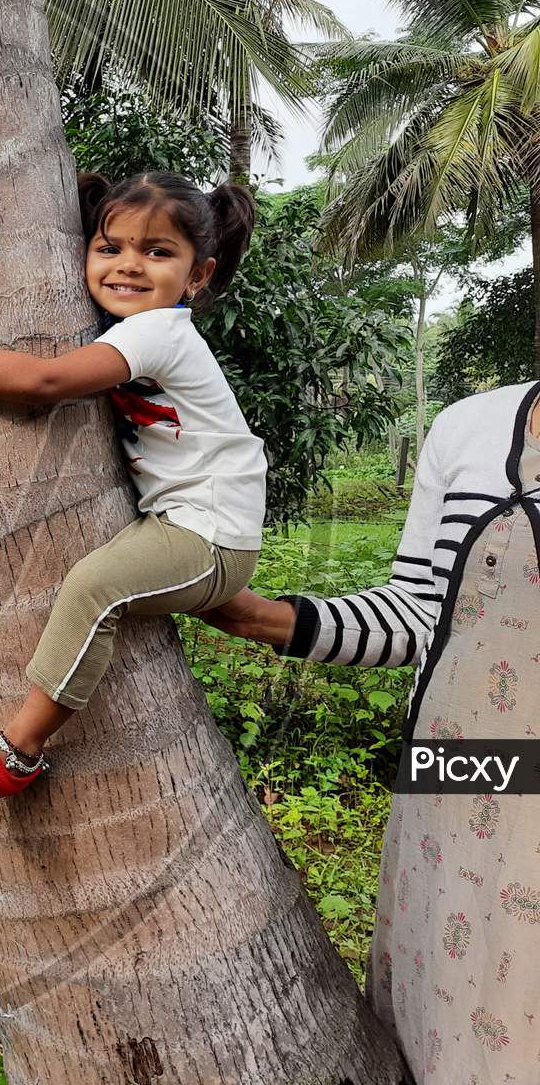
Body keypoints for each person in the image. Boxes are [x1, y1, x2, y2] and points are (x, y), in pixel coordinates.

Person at [0, 171, 264, 818]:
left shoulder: (156, 332)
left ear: (198, 276)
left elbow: (43, 379)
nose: (129, 265)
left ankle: (16, 752)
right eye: (109, 247)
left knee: (95, 586)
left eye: (157, 252)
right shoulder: (131, 333)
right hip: (197, 530)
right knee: (105, 584)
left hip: (209, 534)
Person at [201, 381, 540, 1082]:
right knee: (446, 1004)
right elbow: (423, 612)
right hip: (453, 783)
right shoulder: (470, 427)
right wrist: (272, 619)